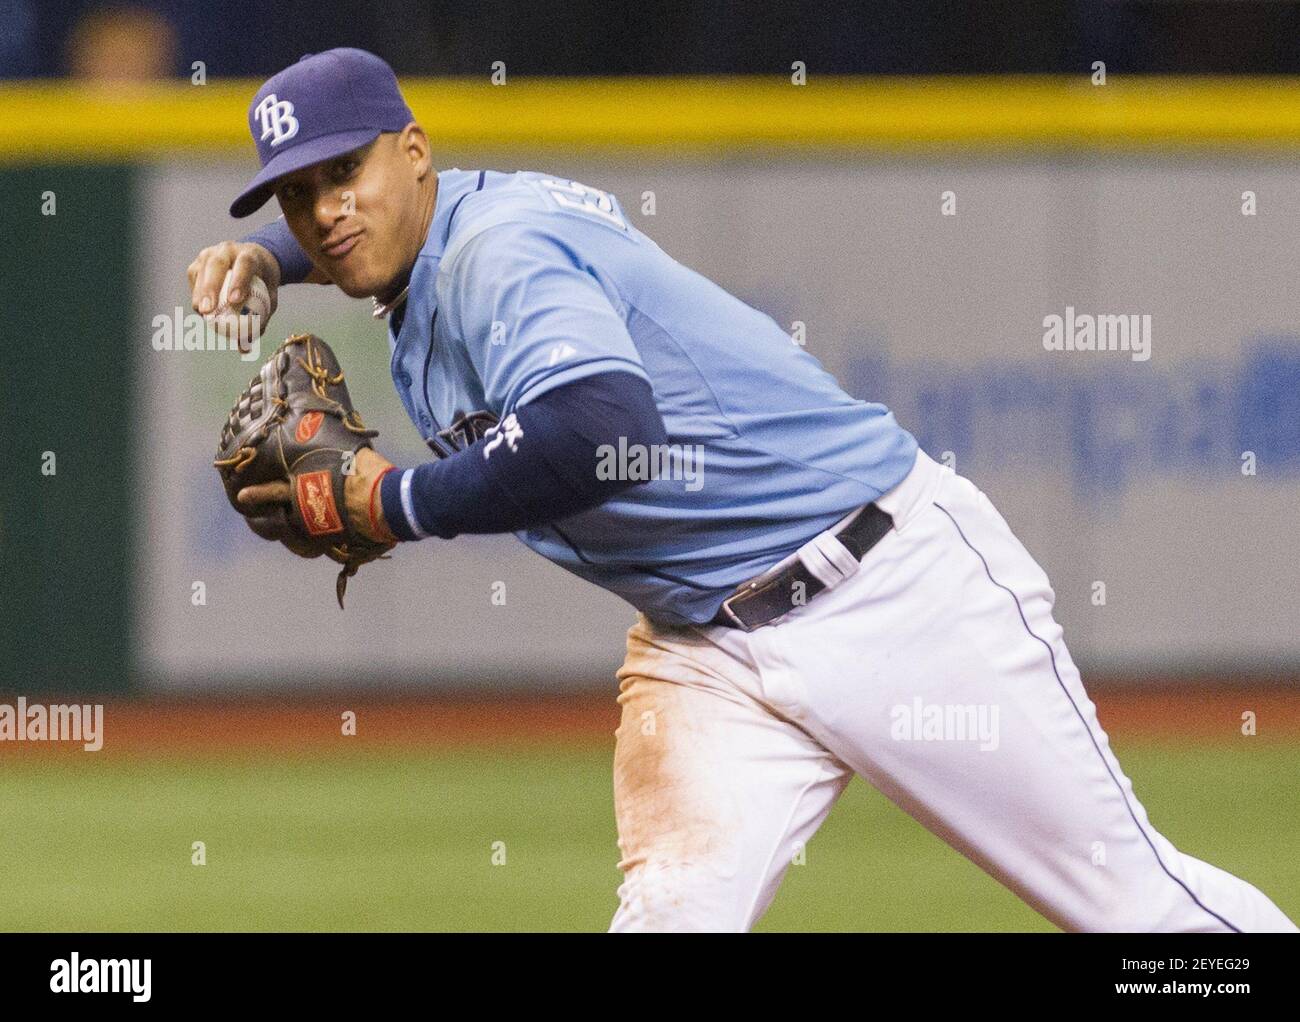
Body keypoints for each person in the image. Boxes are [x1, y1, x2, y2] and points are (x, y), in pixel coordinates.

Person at [188, 48, 1297, 933]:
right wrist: (277, 265)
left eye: (346, 174)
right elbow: (380, 246)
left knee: (1135, 909)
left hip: (888, 587)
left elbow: (599, 431)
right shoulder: (437, 242)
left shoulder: (498, 256)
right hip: (703, 648)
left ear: (415, 152)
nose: (326, 210)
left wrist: (392, 502)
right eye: (296, 198)